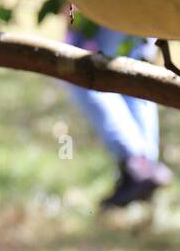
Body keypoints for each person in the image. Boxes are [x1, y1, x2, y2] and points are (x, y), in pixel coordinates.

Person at [63, 17, 173, 208]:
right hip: (150, 6)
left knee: (85, 72)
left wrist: (72, 7)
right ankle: (143, 169)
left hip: (107, 6)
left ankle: (137, 164)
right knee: (134, 76)